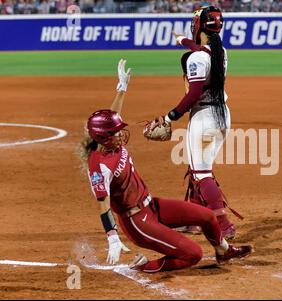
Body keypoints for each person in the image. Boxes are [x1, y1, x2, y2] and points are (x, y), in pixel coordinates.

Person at [80, 59, 252, 272]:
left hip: (152, 206)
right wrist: (112, 237)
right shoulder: (99, 166)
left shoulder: (109, 143)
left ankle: (223, 250)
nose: (121, 133)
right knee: (193, 254)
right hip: (137, 222)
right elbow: (102, 204)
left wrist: (122, 88)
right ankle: (140, 267)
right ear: (103, 137)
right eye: (116, 131)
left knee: (207, 216)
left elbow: (112, 117)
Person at [147, 6, 240, 240]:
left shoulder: (197, 58)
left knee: (201, 172)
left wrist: (169, 117)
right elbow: (200, 50)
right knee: (198, 168)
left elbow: (194, 93)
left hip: (204, 117)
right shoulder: (221, 52)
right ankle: (194, 220)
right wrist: (183, 41)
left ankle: (224, 224)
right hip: (221, 114)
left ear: (199, 26)